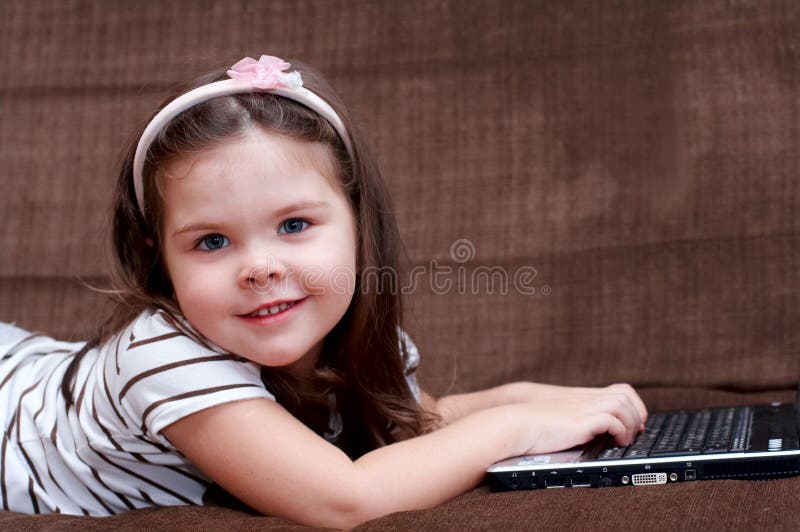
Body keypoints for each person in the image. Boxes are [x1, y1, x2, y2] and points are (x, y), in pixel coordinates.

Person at [0, 55, 647, 528]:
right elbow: (346, 497)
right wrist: (518, 425)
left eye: (294, 225)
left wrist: (534, 400)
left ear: (358, 225)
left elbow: (415, 423)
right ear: (159, 259)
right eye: (211, 242)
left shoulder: (347, 328)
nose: (259, 266)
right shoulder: (162, 357)